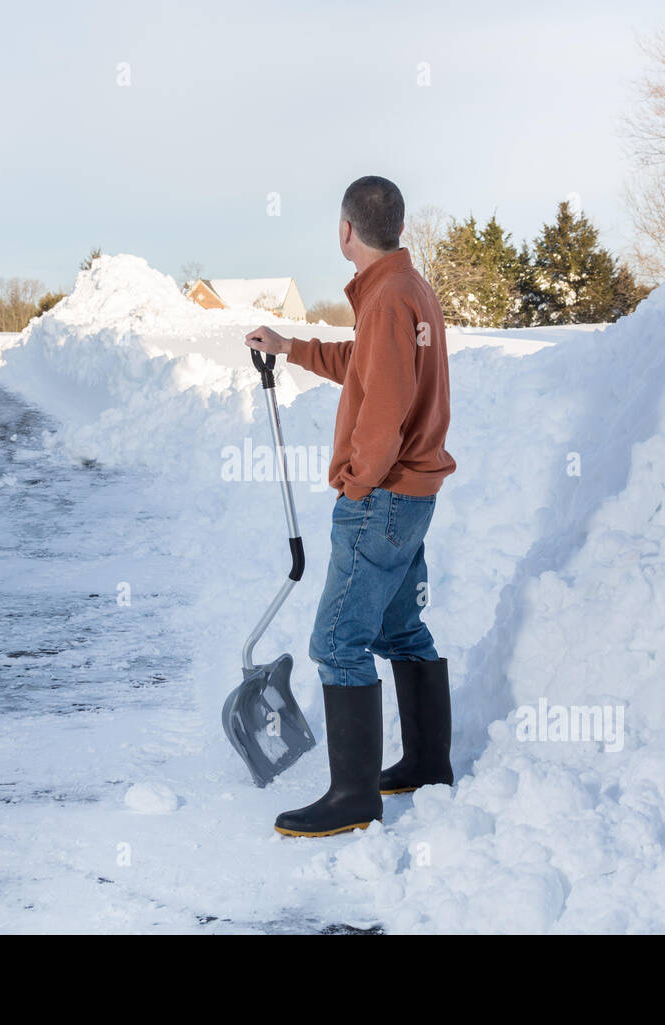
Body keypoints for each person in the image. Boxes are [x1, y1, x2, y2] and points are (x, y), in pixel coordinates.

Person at [244, 175, 457, 838]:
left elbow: (385, 409)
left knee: (338, 641)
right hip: (409, 498)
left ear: (346, 231)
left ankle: (354, 798)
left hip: (383, 498)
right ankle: (425, 761)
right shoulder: (406, 290)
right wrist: (291, 348)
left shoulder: (390, 298)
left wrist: (355, 479)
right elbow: (366, 366)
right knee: (401, 631)